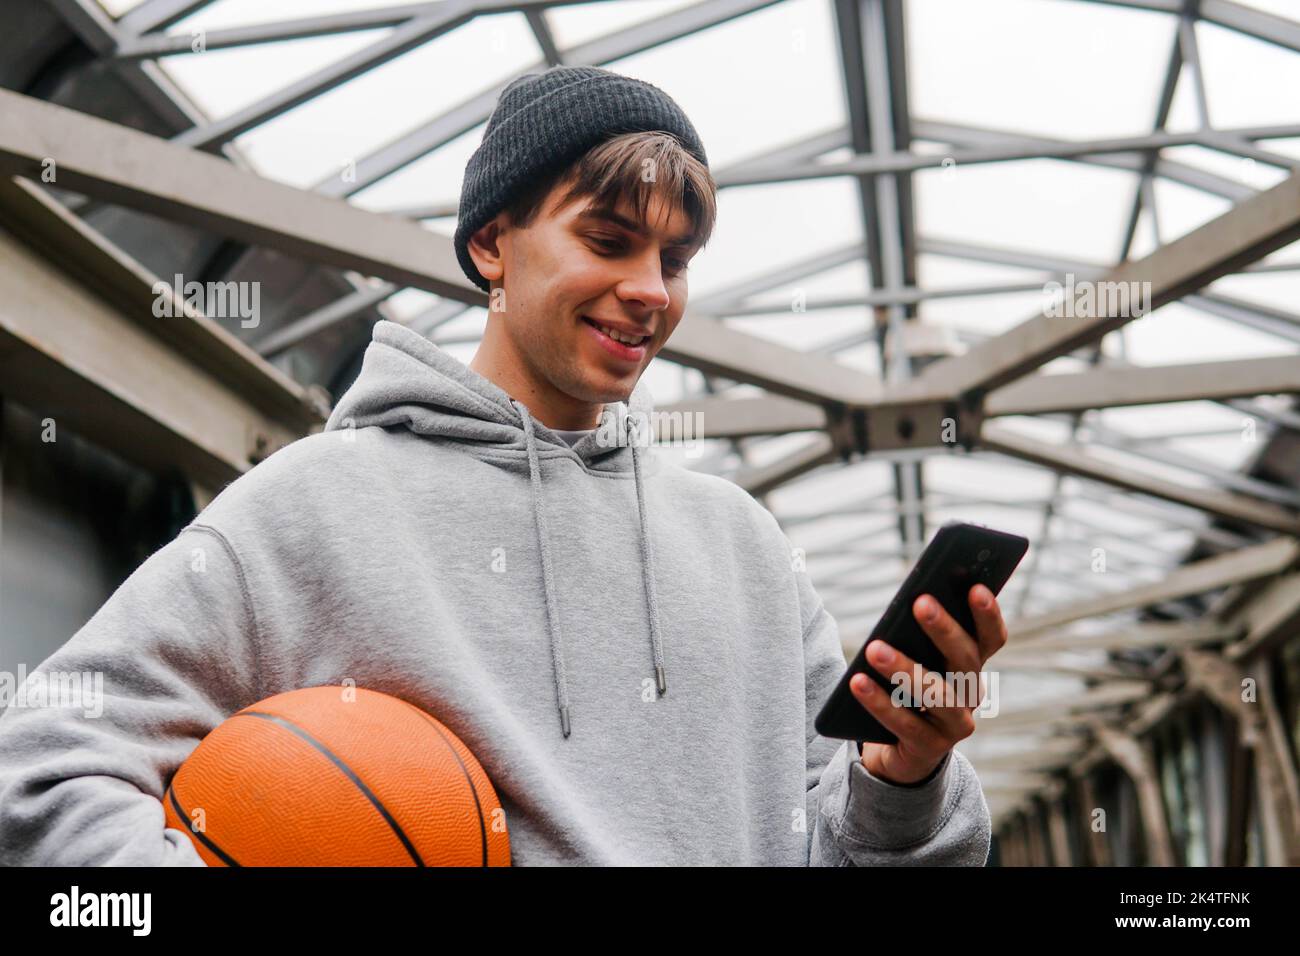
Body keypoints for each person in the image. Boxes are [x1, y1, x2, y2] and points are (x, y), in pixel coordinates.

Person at [0, 65, 999, 866]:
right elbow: (43, 765)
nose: (649, 290)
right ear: (491, 243)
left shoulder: (740, 543)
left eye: (676, 259)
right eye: (608, 240)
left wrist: (903, 775)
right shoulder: (317, 503)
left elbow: (867, 846)